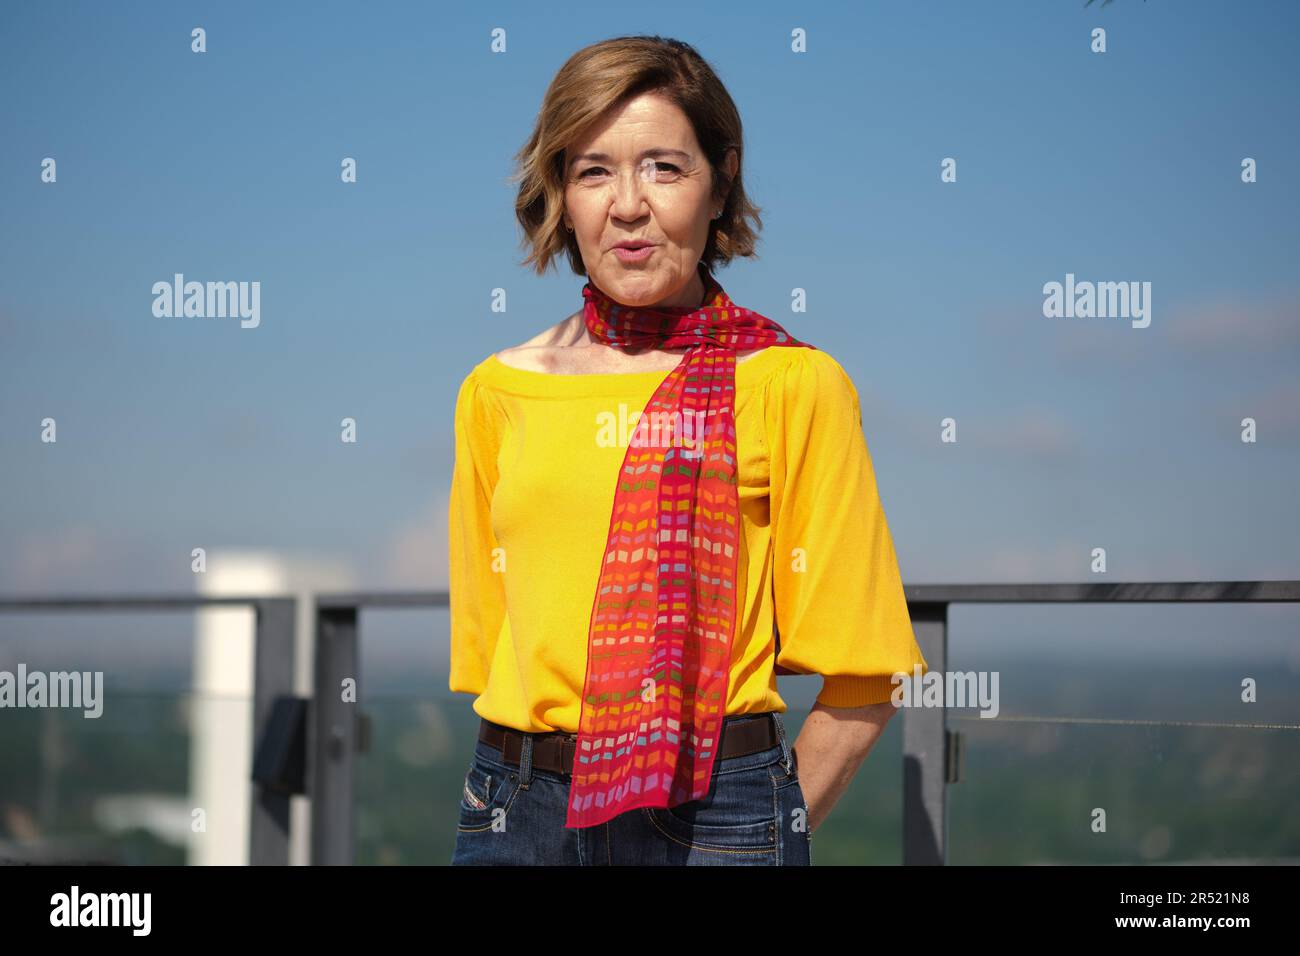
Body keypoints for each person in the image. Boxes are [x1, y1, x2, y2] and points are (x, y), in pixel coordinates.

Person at [447, 35, 927, 865]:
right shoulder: (497, 391)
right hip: (513, 806)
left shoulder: (790, 384)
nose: (627, 205)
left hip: (718, 810)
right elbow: (495, 647)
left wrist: (764, 831)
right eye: (593, 170)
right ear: (561, 192)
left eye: (664, 168)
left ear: (721, 180)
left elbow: (864, 676)